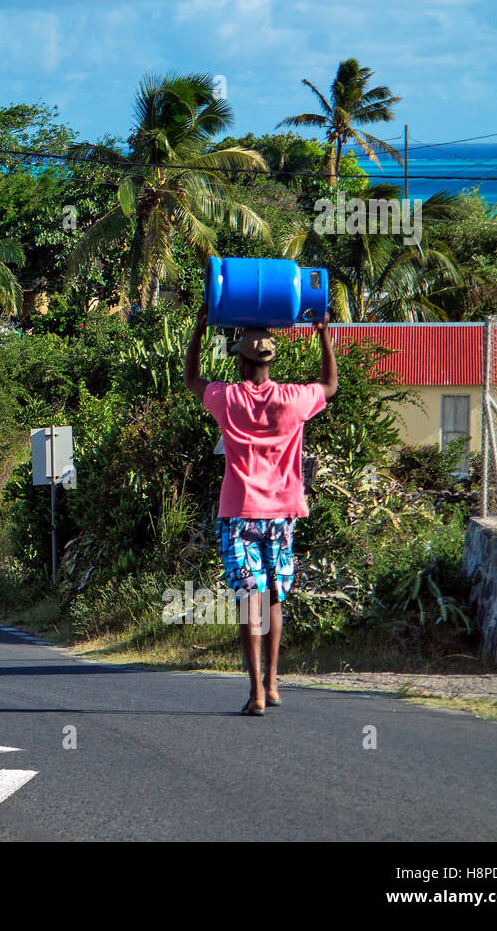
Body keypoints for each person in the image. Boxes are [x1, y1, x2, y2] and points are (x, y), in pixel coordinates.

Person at [183, 302, 336, 716]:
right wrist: (323, 334)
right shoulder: (293, 400)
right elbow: (330, 385)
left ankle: (254, 693)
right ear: (270, 359)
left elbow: (191, 378)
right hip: (282, 513)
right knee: (273, 599)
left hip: (239, 513)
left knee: (247, 601)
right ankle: (273, 682)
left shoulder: (227, 398)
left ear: (241, 362)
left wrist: (199, 329)